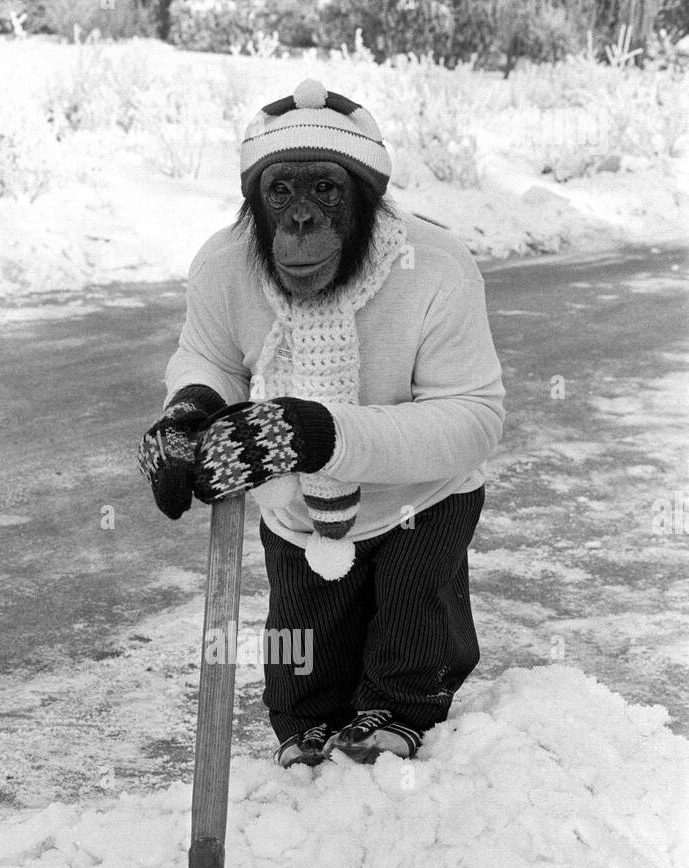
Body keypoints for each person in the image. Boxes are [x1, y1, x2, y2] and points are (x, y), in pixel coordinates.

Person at [139, 79, 505, 767]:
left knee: (410, 616)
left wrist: (325, 435)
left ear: (368, 200)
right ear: (254, 206)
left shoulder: (435, 266)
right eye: (281, 193)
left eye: (324, 192)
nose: (300, 220)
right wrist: (189, 410)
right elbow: (210, 356)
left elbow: (473, 418)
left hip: (422, 495)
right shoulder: (226, 264)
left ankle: (398, 712)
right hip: (297, 500)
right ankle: (310, 725)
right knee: (303, 650)